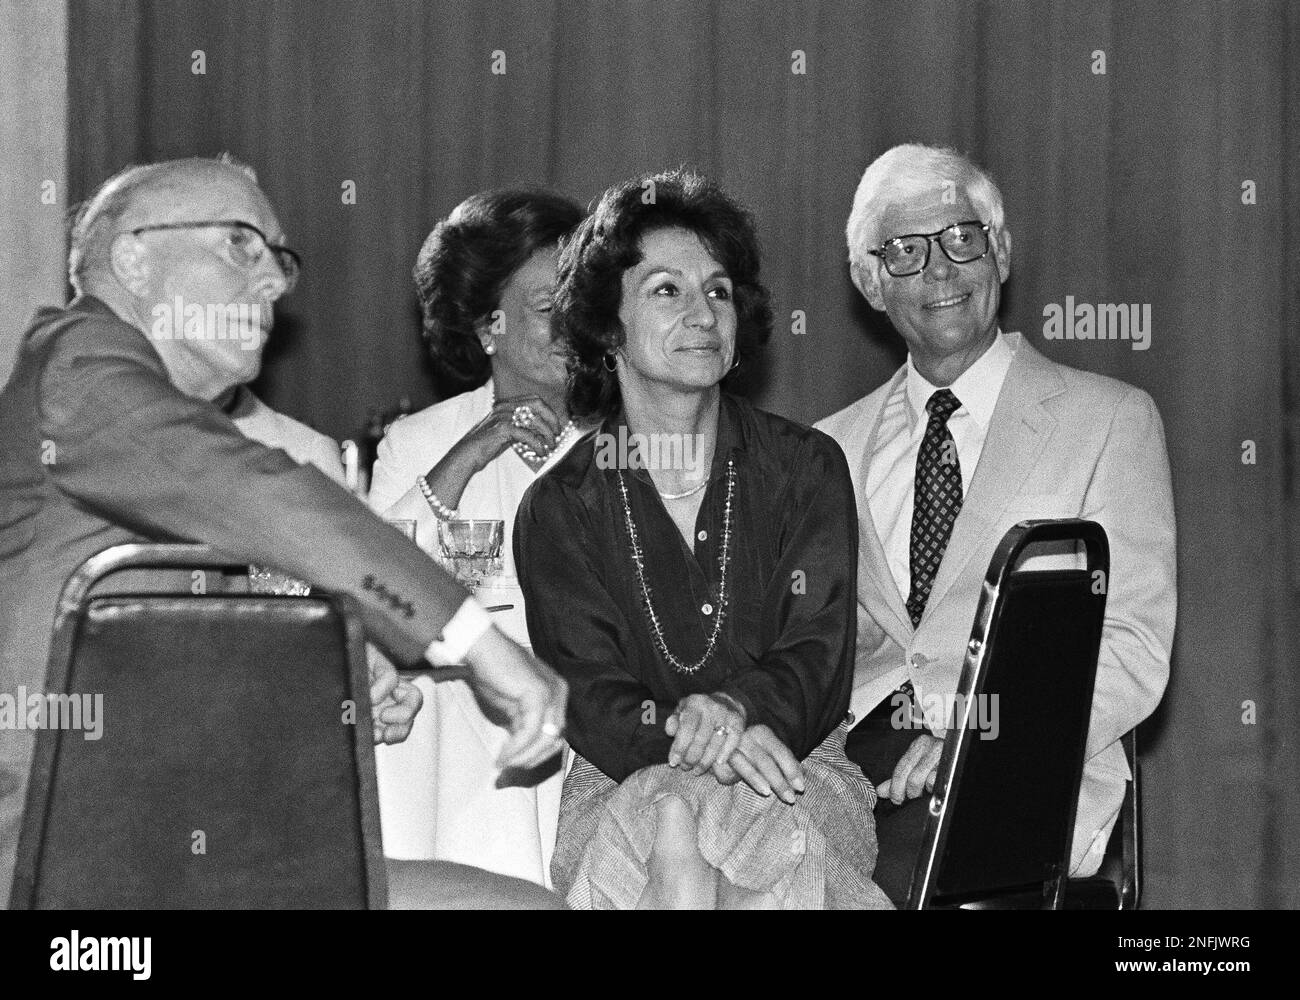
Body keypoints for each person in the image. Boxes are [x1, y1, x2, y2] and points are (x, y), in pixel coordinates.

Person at [0, 156, 567, 908]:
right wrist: (475, 641)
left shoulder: (154, 438)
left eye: (279, 258)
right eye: (239, 244)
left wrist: (335, 693)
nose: (272, 281)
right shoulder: (78, 366)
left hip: (203, 855)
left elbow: (178, 684)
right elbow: (267, 495)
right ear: (132, 256)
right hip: (79, 881)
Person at [515, 169, 891, 909]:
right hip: (622, 773)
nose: (703, 314)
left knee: (672, 828)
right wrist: (703, 733)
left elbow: (816, 661)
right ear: (605, 324)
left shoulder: (805, 467)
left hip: (797, 763)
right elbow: (592, 701)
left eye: (717, 291)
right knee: (663, 806)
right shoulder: (560, 507)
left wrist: (737, 713)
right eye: (666, 290)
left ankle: (689, 884)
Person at [815, 143, 1176, 904]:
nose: (940, 270)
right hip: (848, 773)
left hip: (1020, 766)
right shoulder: (826, 450)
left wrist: (978, 740)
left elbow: (1134, 647)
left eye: (962, 239)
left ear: (1001, 253)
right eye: (906, 252)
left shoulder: (1108, 420)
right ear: (869, 282)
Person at [369, 189, 584, 885]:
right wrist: (470, 453)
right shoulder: (419, 442)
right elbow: (373, 589)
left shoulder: (627, 438)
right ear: (488, 328)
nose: (576, 326)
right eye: (552, 308)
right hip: (446, 746)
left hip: (585, 728)